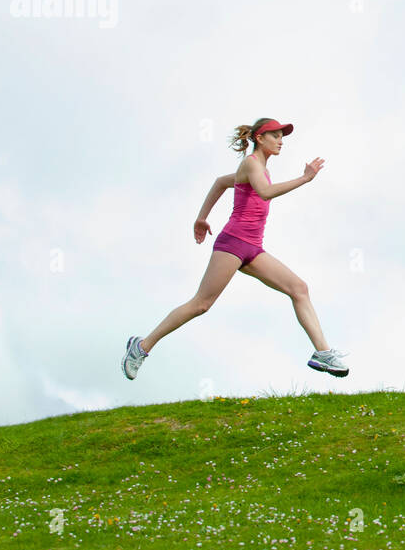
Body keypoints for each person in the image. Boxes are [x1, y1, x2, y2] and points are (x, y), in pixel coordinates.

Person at [121, 117, 348, 381]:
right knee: (201, 304)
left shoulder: (259, 167)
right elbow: (264, 193)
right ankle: (141, 347)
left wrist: (201, 217)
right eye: (275, 136)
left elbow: (219, 182)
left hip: (253, 247)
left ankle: (322, 353)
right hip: (232, 244)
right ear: (259, 138)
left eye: (282, 136)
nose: (280, 141)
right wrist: (305, 178)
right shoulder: (251, 163)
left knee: (299, 288)